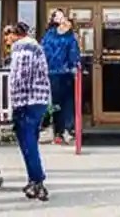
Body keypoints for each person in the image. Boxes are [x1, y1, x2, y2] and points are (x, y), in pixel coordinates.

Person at [3, 22, 52, 201]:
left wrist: (16, 105)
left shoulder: (23, 48)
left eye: (7, 35)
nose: (6, 40)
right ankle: (33, 179)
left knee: (27, 142)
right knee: (31, 141)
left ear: (15, 34)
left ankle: (37, 180)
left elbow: (20, 78)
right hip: (38, 100)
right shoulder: (35, 47)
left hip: (27, 101)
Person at [42, 14, 81, 146]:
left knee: (67, 103)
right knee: (56, 104)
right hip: (52, 73)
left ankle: (67, 129)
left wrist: (75, 66)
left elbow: (74, 55)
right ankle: (59, 130)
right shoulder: (49, 36)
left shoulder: (70, 39)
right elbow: (44, 52)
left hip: (65, 74)